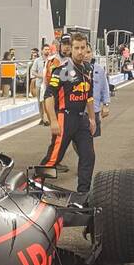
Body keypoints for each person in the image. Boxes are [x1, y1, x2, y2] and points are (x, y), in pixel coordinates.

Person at [41, 33, 97, 193]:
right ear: (71, 49)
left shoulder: (88, 69)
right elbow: (49, 95)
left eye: (83, 48)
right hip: (64, 118)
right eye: (76, 48)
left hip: (82, 120)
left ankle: (82, 194)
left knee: (88, 157)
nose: (80, 51)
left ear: (87, 48)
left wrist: (92, 119)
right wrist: (52, 120)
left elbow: (89, 96)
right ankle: (33, 188)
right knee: (54, 158)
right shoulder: (62, 70)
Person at [77, 35, 110, 136]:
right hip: (77, 112)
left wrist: (106, 105)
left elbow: (105, 88)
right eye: (83, 51)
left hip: (94, 110)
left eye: (88, 52)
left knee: (89, 139)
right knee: (78, 139)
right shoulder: (72, 69)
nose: (86, 55)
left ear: (92, 53)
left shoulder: (99, 69)